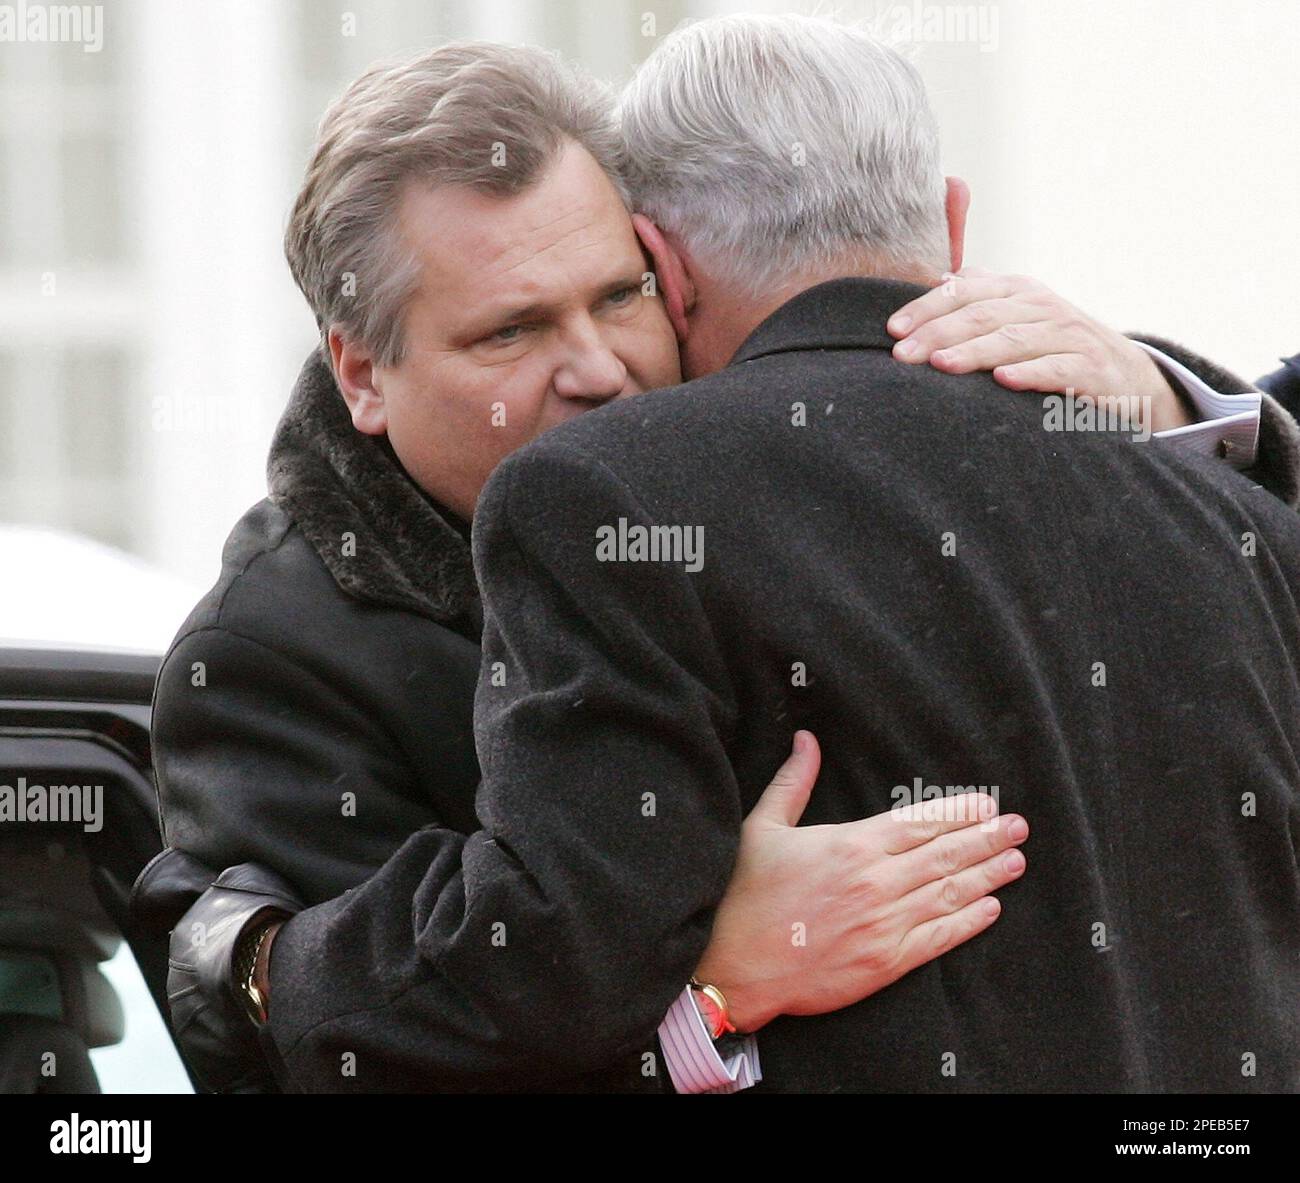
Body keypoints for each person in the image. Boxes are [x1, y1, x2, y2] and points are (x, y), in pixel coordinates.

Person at [134, 31, 1298, 1093]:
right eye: (512, 330)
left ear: (671, 270)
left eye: (618, 294)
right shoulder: (271, 657)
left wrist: (1159, 403)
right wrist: (701, 989)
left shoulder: (754, 487)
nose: (595, 366)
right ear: (361, 375)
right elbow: (351, 1061)